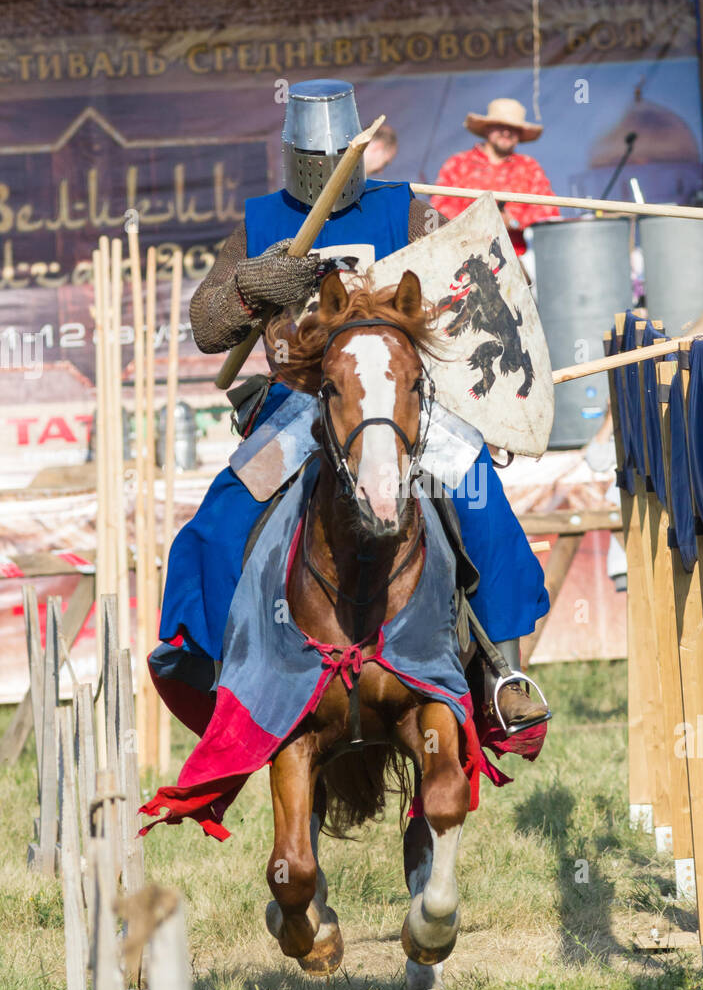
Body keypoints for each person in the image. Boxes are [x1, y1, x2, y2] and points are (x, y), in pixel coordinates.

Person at [154, 79, 550, 749]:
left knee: (480, 496)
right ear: (293, 156)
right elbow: (206, 325)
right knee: (219, 524)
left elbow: (468, 286)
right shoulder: (260, 223)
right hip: (299, 407)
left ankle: (500, 674)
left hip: (400, 401)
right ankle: (230, 681)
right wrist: (251, 288)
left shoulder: (407, 211)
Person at [431, 98, 560, 252]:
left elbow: (550, 211)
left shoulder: (529, 167)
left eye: (513, 128)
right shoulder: (458, 163)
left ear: (519, 133)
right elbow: (438, 207)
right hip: (462, 254)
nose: (506, 132)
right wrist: (476, 220)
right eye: (500, 126)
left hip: (515, 257)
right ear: (487, 129)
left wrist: (512, 221)